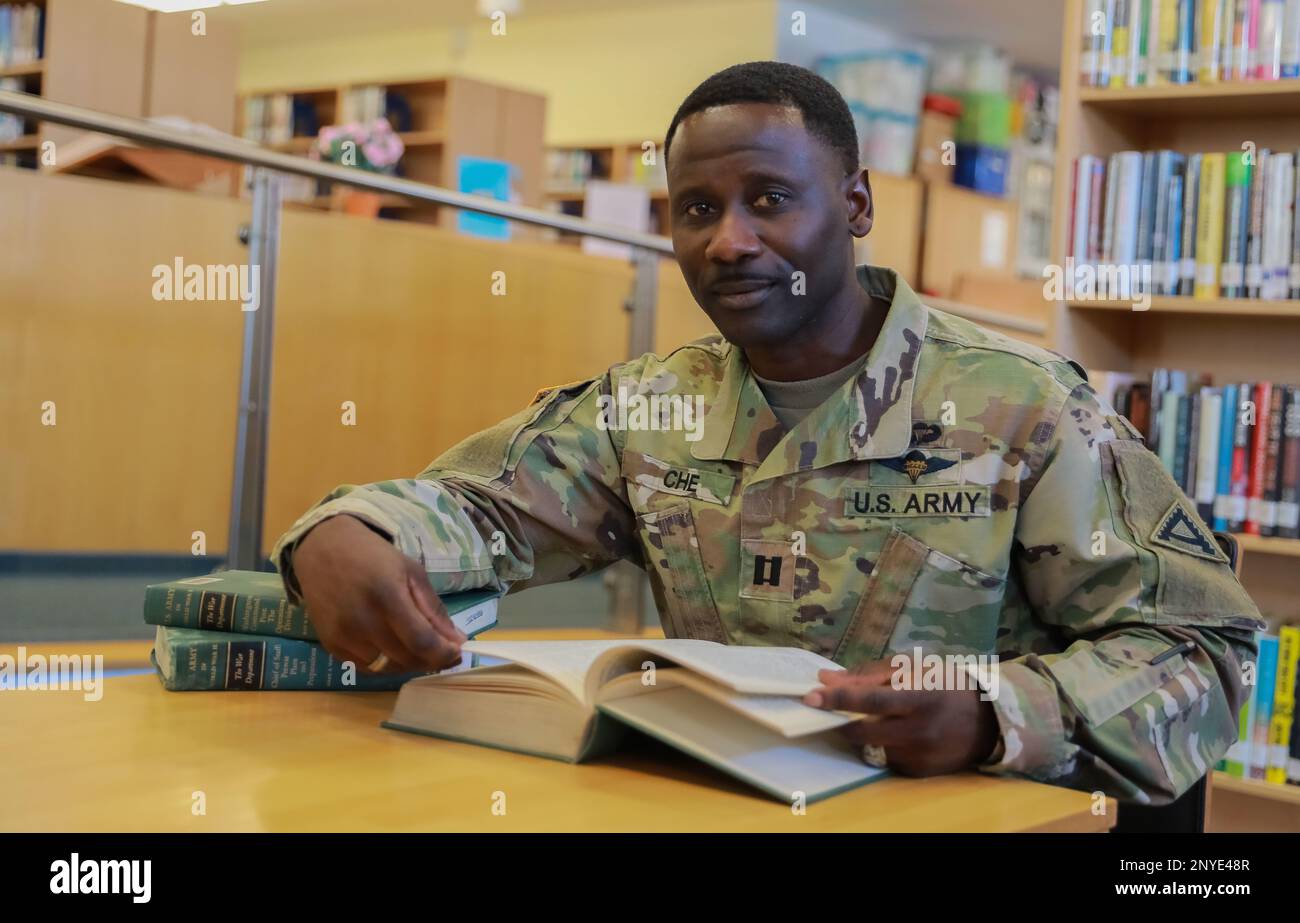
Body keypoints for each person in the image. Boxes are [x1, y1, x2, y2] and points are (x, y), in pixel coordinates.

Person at [272, 61, 1264, 805]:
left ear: (856, 203)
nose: (728, 241)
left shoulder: (1027, 407)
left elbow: (1206, 647)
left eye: (769, 200)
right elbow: (482, 505)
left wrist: (995, 712)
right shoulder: (648, 406)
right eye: (695, 208)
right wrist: (348, 530)